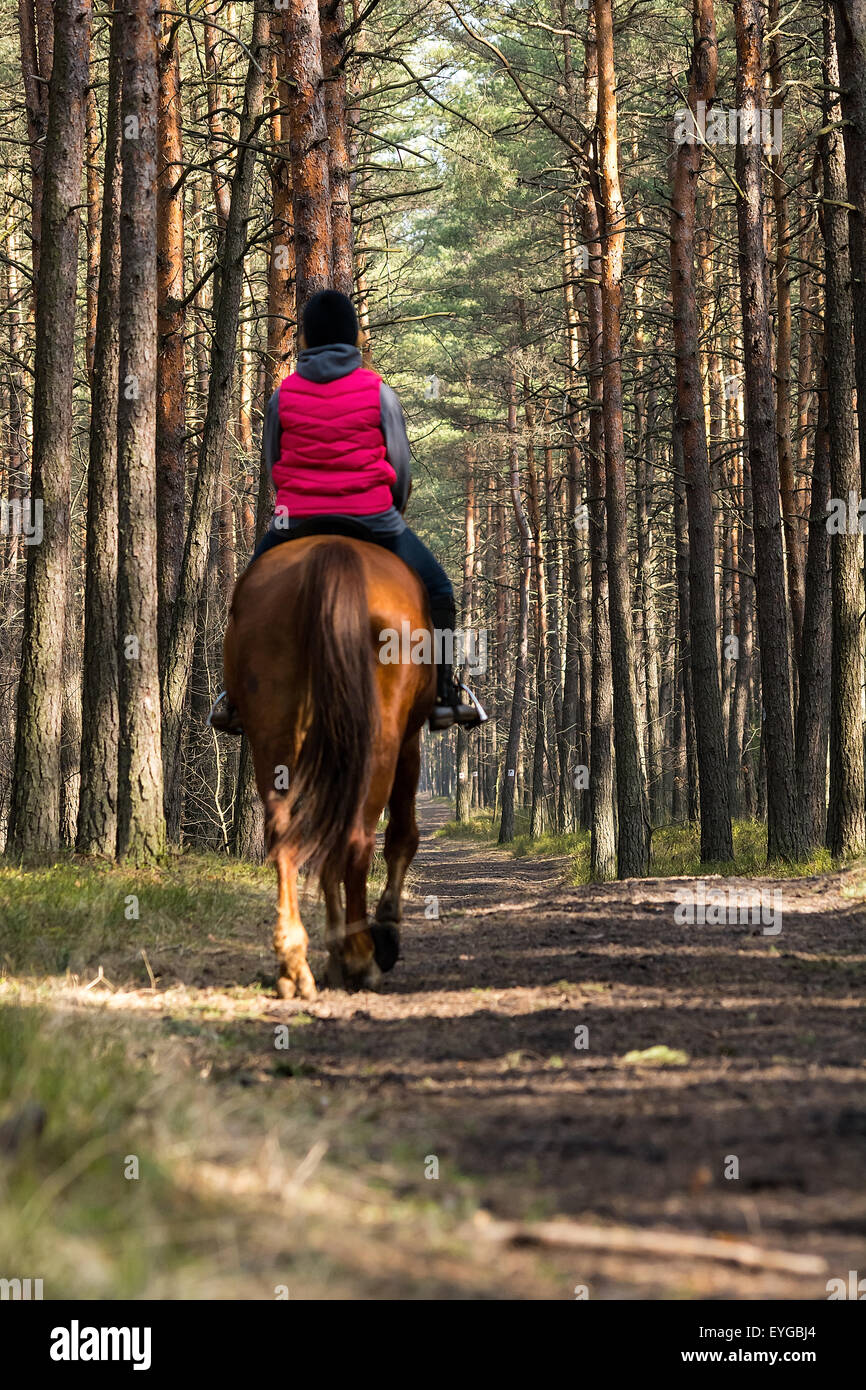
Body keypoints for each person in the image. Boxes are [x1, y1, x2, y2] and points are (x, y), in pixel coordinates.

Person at [209, 288, 486, 735]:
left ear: (307, 339)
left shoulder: (284, 394)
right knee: (438, 591)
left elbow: (273, 464)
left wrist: (299, 502)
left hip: (294, 522)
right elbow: (399, 466)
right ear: (353, 337)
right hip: (372, 520)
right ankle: (444, 695)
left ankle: (236, 699)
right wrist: (388, 514)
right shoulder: (379, 392)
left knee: (246, 600)